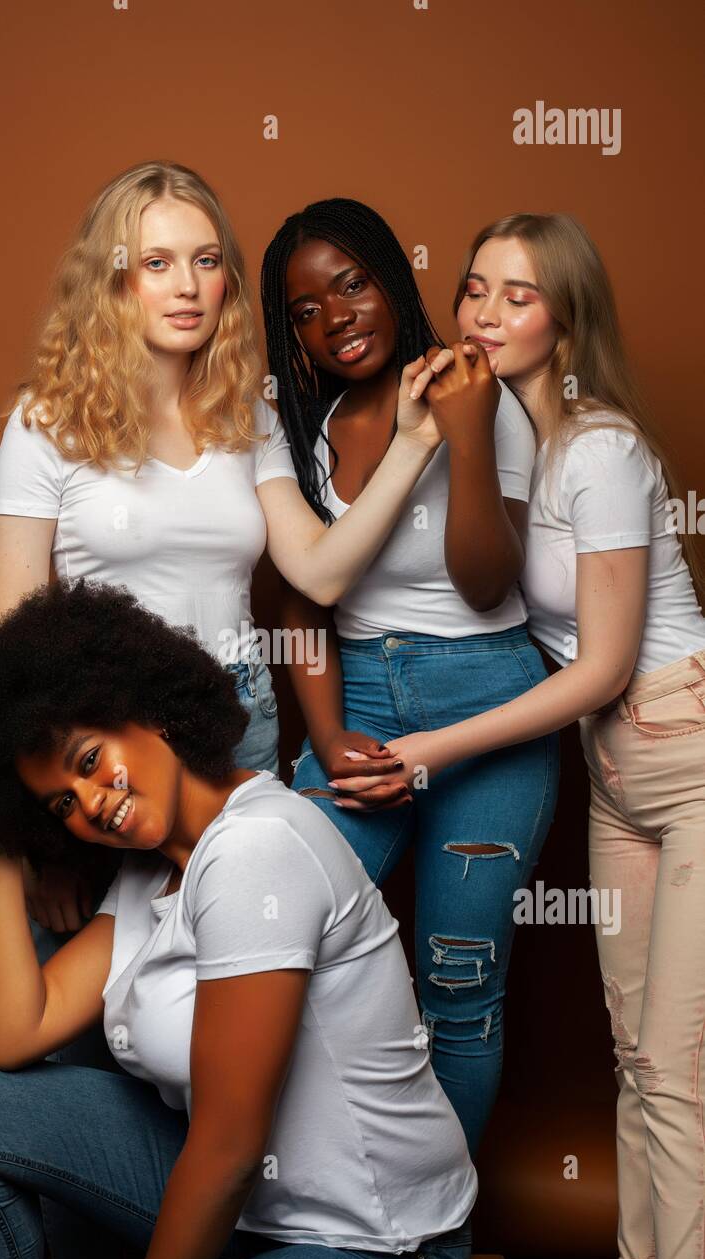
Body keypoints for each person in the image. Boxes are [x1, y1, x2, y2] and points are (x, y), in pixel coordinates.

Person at [0, 162, 444, 1259]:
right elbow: (8, 642)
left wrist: (418, 448)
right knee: (81, 1046)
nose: (184, 286)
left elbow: (315, 568)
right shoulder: (43, 421)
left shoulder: (241, 411)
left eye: (204, 261)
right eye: (154, 263)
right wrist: (35, 826)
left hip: (228, 741)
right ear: (113, 281)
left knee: (211, 1049)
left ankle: (232, 1258)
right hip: (93, 764)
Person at [330, 212, 705, 1259]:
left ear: (567, 317)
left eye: (518, 296)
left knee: (676, 1074)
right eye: (473, 290)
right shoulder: (525, 441)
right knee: (636, 1063)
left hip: (680, 754)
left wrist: (423, 751)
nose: (485, 315)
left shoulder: (598, 449)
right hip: (618, 775)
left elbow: (596, 669)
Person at [0, 578, 477, 1259]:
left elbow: (229, 1150)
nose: (89, 803)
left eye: (88, 762)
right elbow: (17, 1033)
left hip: (376, 1247)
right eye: (61, 803)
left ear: (149, 711)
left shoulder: (255, 850)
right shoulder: (151, 874)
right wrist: (0, 825)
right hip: (254, 1218)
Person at [260, 198, 559, 1159]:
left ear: (392, 276)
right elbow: (305, 603)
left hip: (493, 706)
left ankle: (438, 1240)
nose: (336, 315)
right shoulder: (305, 428)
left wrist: (465, 431)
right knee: (275, 941)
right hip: (362, 703)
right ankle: (326, 1216)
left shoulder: (485, 396)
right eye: (305, 308)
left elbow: (484, 581)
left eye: (351, 283)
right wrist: (324, 731)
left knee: (459, 982)